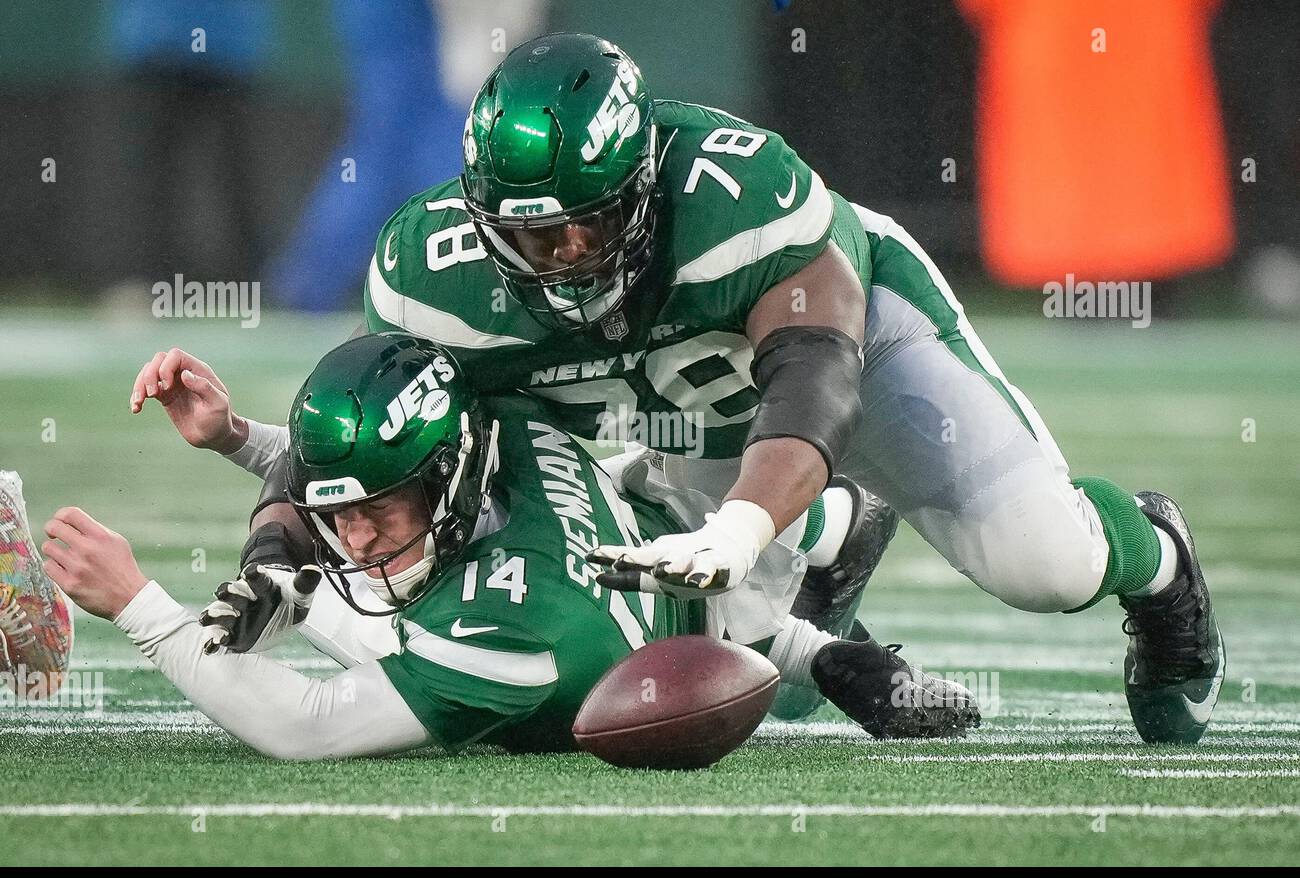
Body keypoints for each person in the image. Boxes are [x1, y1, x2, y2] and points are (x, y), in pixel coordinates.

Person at [134, 33, 1223, 744]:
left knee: (1042, 564)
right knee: (732, 666)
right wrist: (275, 554)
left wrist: (748, 523)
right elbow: (375, 447)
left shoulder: (736, 195)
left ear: (643, 183)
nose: (557, 255)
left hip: (843, 348)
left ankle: (1157, 556)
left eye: (580, 223)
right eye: (525, 231)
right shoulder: (436, 277)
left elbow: (813, 381)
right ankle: (833, 539)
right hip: (676, 412)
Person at [49, 335, 978, 759]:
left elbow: (304, 724)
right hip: (657, 571)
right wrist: (235, 437)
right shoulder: (494, 427)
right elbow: (355, 485)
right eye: (343, 513)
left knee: (691, 435)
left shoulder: (510, 637)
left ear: (448, 474)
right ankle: (829, 645)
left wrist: (140, 608)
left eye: (382, 508)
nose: (359, 538)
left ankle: (830, 525)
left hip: (675, 611)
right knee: (653, 474)